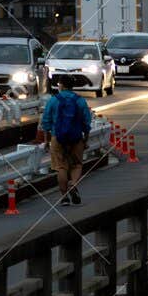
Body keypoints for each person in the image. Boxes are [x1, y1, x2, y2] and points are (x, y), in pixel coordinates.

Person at [40, 75, 94, 206]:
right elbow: (86, 122)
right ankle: (73, 184)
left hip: (57, 138)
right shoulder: (80, 100)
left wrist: (46, 140)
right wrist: (85, 139)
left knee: (61, 167)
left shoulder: (54, 100)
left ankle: (64, 198)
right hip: (76, 137)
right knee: (77, 165)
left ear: (61, 85)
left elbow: (46, 122)